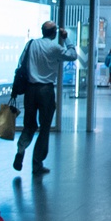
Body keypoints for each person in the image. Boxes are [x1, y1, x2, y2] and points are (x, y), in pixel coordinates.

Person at [11, 20, 76, 175]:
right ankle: (37, 163)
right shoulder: (55, 47)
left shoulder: (31, 44)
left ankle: (21, 149)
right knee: (44, 127)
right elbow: (72, 56)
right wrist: (66, 38)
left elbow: (21, 63)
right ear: (54, 33)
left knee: (29, 124)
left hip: (30, 90)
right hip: (46, 90)